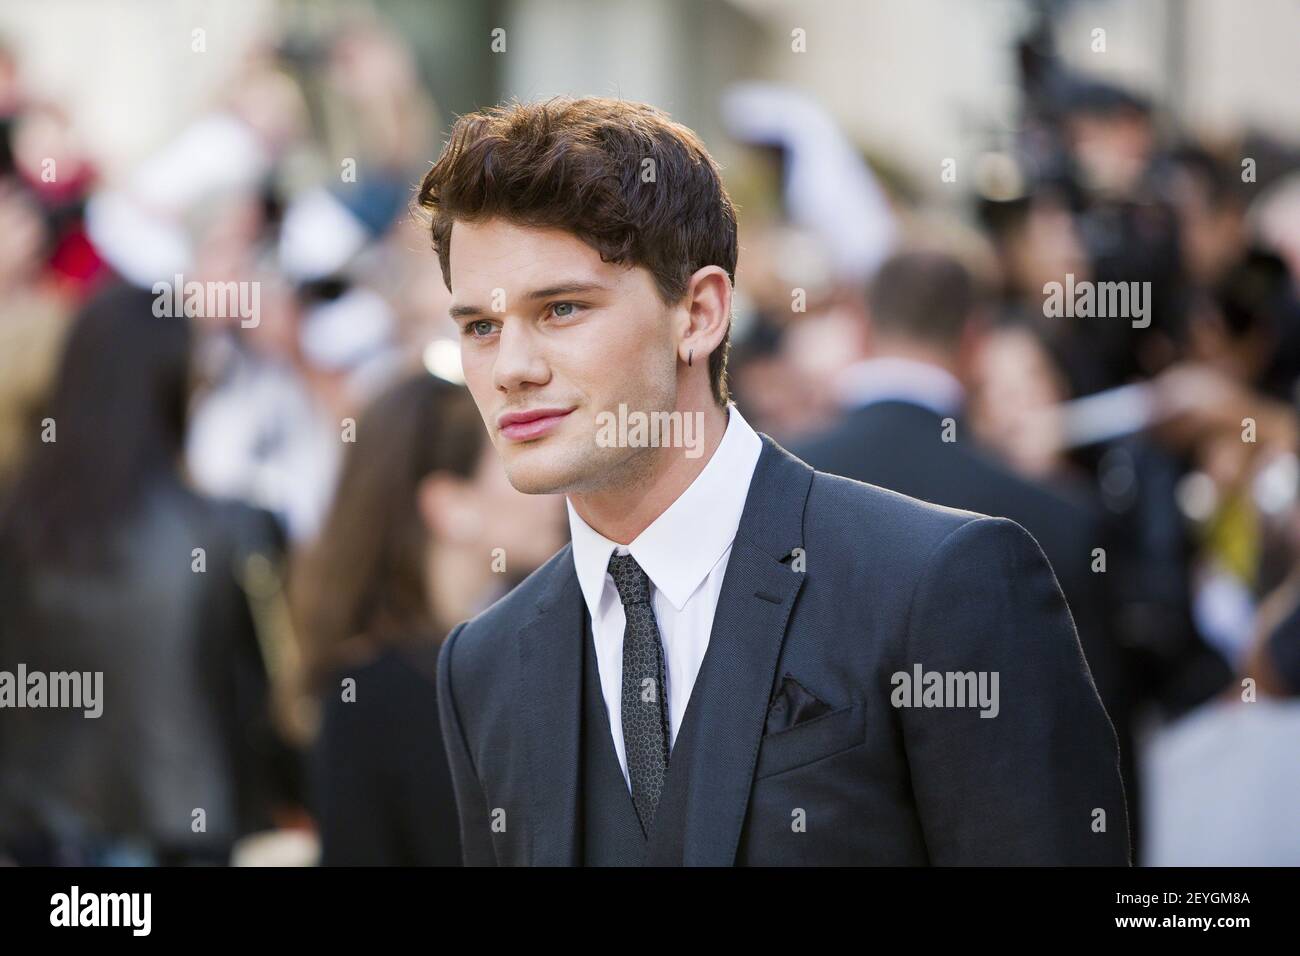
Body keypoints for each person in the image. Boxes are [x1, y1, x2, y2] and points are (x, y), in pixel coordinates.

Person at [419, 97, 1128, 866]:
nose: (511, 368)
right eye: (480, 327)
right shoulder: (483, 665)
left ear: (699, 313)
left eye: (561, 309)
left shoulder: (936, 583)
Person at [789, 250, 1137, 852]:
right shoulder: (1059, 518)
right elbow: (1095, 764)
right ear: (975, 341)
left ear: (861, 329)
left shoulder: (769, 492)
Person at [0, 284, 294, 865]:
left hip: (40, 842)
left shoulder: (18, 531)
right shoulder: (234, 533)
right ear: (176, 387)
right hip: (188, 837)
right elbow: (271, 708)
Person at [295, 369, 564, 866]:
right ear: (449, 505)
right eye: (515, 455)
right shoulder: (372, 694)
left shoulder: (535, 649)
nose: (551, 490)